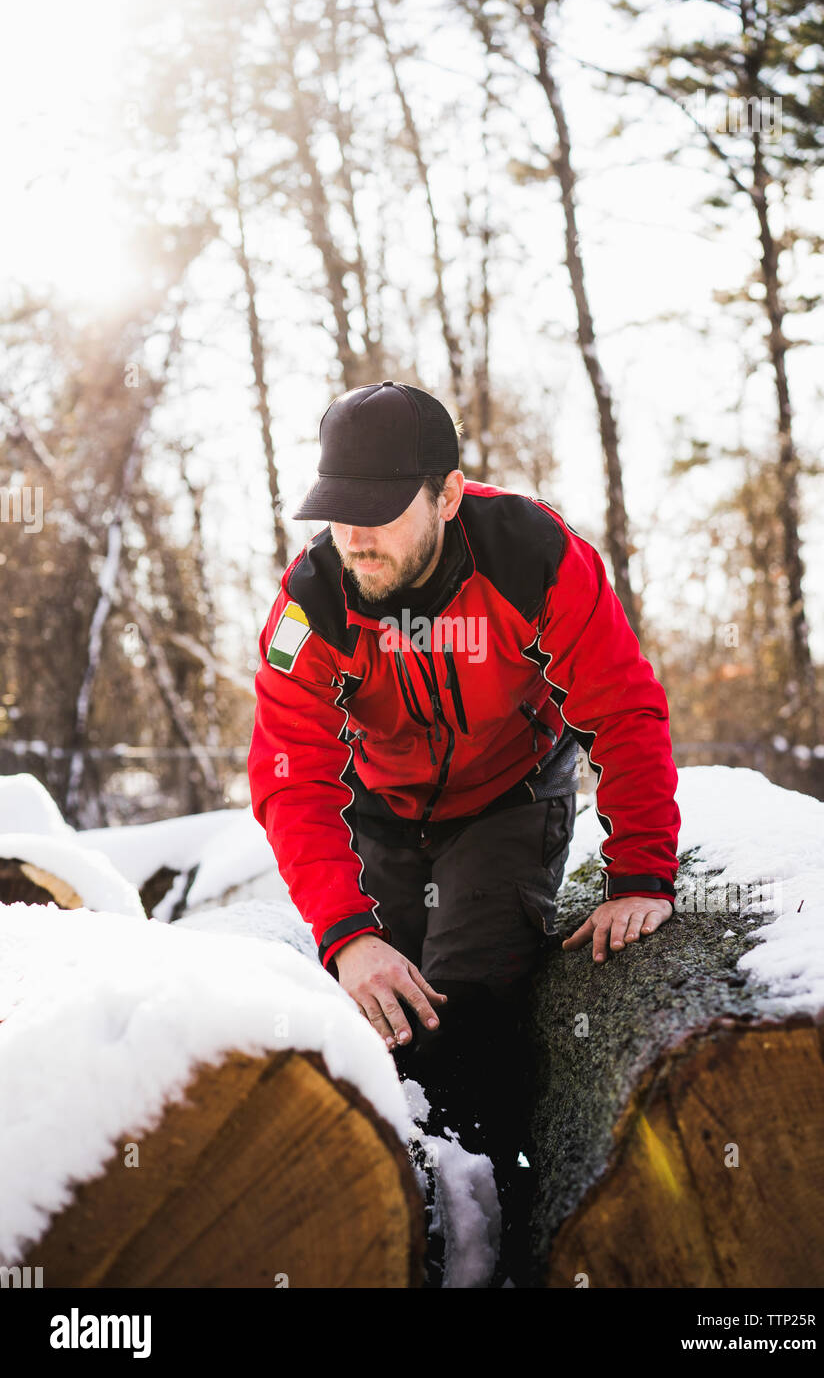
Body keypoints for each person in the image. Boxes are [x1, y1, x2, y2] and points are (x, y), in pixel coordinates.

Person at [247, 379, 681, 1285]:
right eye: (337, 515)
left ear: (446, 496)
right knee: (386, 1007)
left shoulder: (534, 555)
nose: (354, 538)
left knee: (465, 993)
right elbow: (290, 778)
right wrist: (348, 934)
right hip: (383, 808)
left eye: (377, 513)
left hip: (509, 796)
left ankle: (479, 1234)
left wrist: (641, 872)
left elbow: (624, 710)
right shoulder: (313, 602)